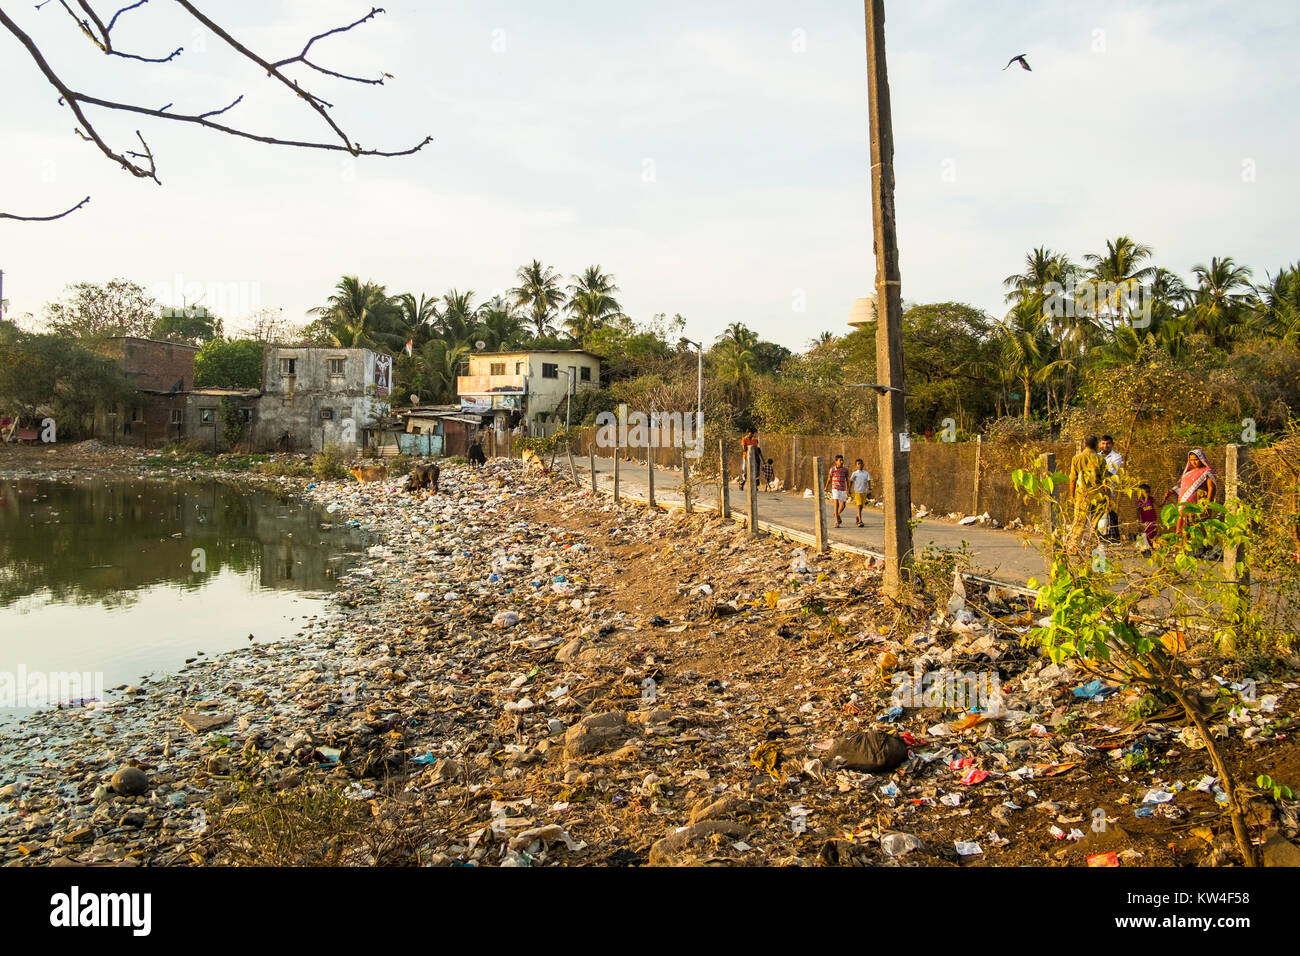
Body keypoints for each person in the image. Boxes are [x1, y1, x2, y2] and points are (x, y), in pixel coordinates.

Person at [1162, 449, 1218, 537]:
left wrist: (1208, 504)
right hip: (1183, 504)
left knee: (1197, 525)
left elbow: (1211, 488)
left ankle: (1198, 549)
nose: (1194, 462)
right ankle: (1183, 547)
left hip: (1198, 505)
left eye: (1196, 459)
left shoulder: (1207, 472)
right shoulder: (1188, 473)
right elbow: (1181, 486)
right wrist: (1171, 492)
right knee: (1183, 525)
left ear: (1201, 458)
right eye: (1191, 460)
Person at [1067, 435, 1106, 554]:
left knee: (1079, 522)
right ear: (1096, 445)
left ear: (1084, 444)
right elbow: (1105, 480)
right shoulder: (1100, 459)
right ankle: (1091, 549)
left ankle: (1073, 547)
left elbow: (1072, 479)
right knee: (1095, 524)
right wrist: (1107, 496)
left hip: (1082, 495)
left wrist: (1072, 496)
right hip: (1097, 495)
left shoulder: (1076, 459)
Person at [1098, 435, 1123, 541]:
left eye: (1108, 443)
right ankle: (1099, 536)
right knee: (1097, 514)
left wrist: (1098, 469)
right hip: (1096, 490)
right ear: (1099, 444)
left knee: (1108, 512)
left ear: (1112, 444)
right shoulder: (1097, 455)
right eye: (1103, 443)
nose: (1105, 446)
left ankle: (1113, 536)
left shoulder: (1116, 457)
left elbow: (1110, 474)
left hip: (1108, 489)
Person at [824, 454, 850, 528]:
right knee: (836, 504)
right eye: (840, 460)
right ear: (836, 462)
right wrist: (826, 487)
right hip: (835, 488)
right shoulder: (832, 469)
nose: (841, 462)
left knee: (843, 505)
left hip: (843, 489)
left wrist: (848, 489)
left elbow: (847, 480)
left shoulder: (845, 470)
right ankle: (836, 522)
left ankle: (837, 514)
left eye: (842, 460)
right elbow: (829, 479)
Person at [849, 458, 872, 527]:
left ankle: (857, 516)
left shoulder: (866, 473)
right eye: (858, 464)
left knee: (861, 506)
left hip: (864, 491)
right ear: (856, 465)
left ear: (863, 465)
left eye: (861, 464)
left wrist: (869, 487)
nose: (860, 465)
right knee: (859, 506)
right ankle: (860, 521)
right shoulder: (855, 473)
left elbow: (869, 480)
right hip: (857, 491)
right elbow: (851, 481)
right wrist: (849, 490)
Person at [1135, 482, 1159, 548]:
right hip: (1145, 522)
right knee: (1148, 534)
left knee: (1154, 533)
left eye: (1149, 491)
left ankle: (1152, 546)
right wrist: (1138, 523)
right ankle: (1149, 547)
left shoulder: (1151, 499)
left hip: (1153, 520)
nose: (1148, 493)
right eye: (1146, 492)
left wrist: (1165, 498)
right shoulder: (1139, 502)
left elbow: (1159, 505)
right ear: (1141, 492)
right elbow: (1137, 513)